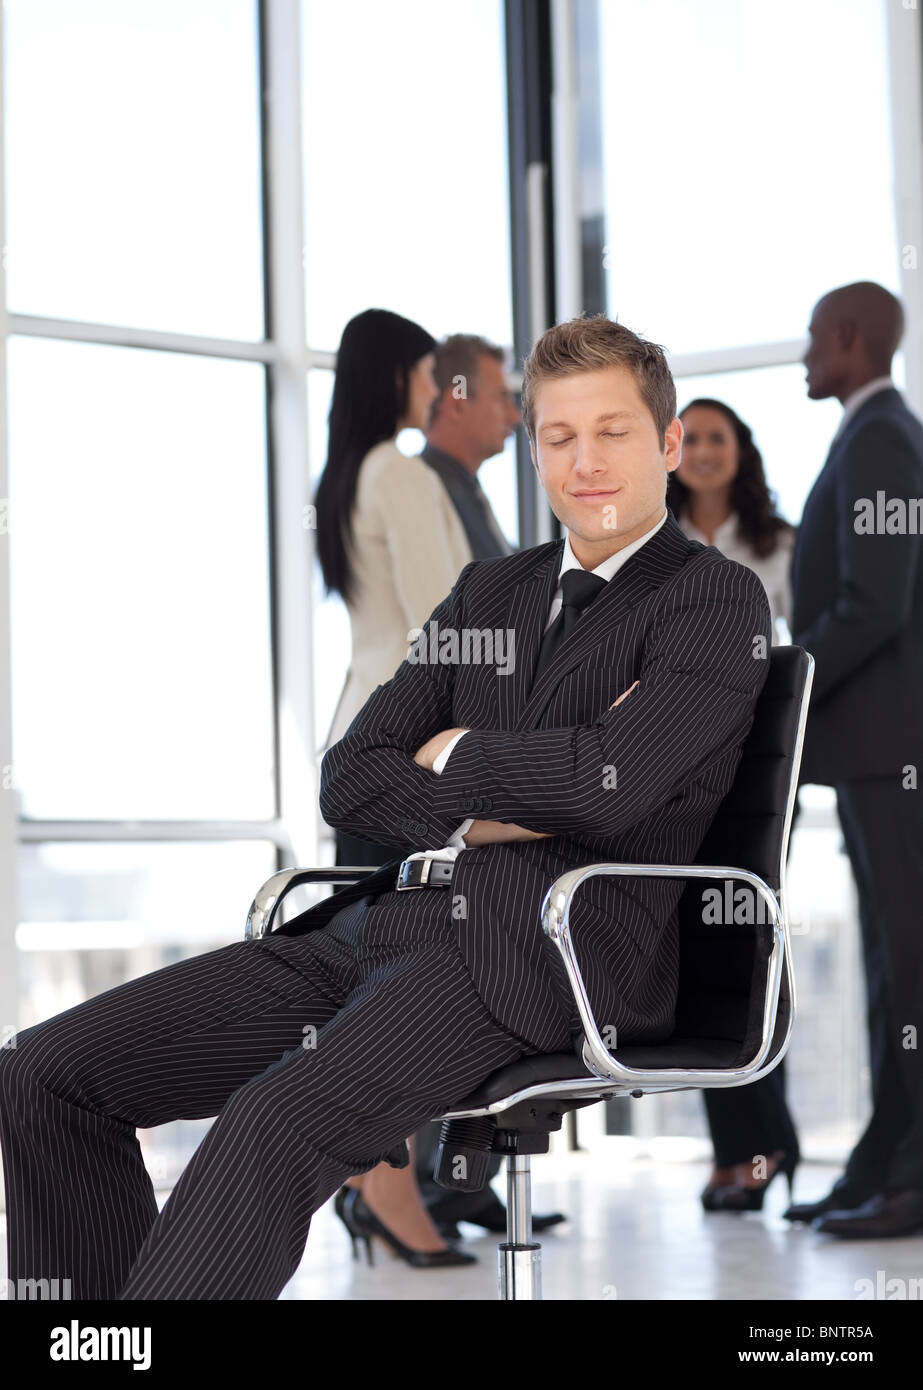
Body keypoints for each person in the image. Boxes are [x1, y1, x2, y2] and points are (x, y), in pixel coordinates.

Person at [0, 314, 772, 1300]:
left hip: (537, 949)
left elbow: (603, 789)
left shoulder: (713, 604)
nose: (583, 462)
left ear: (665, 444)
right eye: (557, 435)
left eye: (612, 432)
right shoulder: (488, 590)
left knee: (271, 1122)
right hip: (380, 924)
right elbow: (349, 771)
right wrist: (504, 789)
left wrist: (455, 752)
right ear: (532, 446)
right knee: (44, 1073)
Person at [413, 332, 564, 1239]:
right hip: (445, 768)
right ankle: (432, 1185)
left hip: (479, 771)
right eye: (507, 399)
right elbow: (443, 641)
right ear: (455, 394)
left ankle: (456, 1180)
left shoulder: (473, 498)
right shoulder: (419, 483)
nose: (514, 416)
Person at [785, 281, 923, 1239]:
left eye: (809, 340)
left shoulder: (880, 441)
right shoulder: (872, 436)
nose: (801, 357)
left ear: (847, 337)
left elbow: (876, 602)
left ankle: (914, 1179)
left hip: (894, 752)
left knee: (910, 967)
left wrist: (784, 682)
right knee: (886, 967)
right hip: (878, 754)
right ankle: (883, 1160)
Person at [667, 399, 800, 1212]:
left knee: (750, 947)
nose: (706, 451)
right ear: (671, 451)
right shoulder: (656, 545)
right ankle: (745, 1149)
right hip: (675, 770)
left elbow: (799, 657)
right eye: (694, 438)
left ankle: (762, 1147)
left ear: (740, 452)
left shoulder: (777, 546)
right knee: (695, 956)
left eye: (721, 437)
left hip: (753, 778)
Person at [315, 308, 472, 871]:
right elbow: (442, 620)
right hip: (406, 742)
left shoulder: (343, 476)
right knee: (410, 938)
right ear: (395, 376)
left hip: (356, 733)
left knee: (360, 934)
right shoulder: (399, 474)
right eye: (428, 372)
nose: (436, 389)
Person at [420, 332, 520, 560]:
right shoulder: (428, 493)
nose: (515, 416)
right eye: (501, 398)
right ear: (456, 406)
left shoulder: (463, 488)